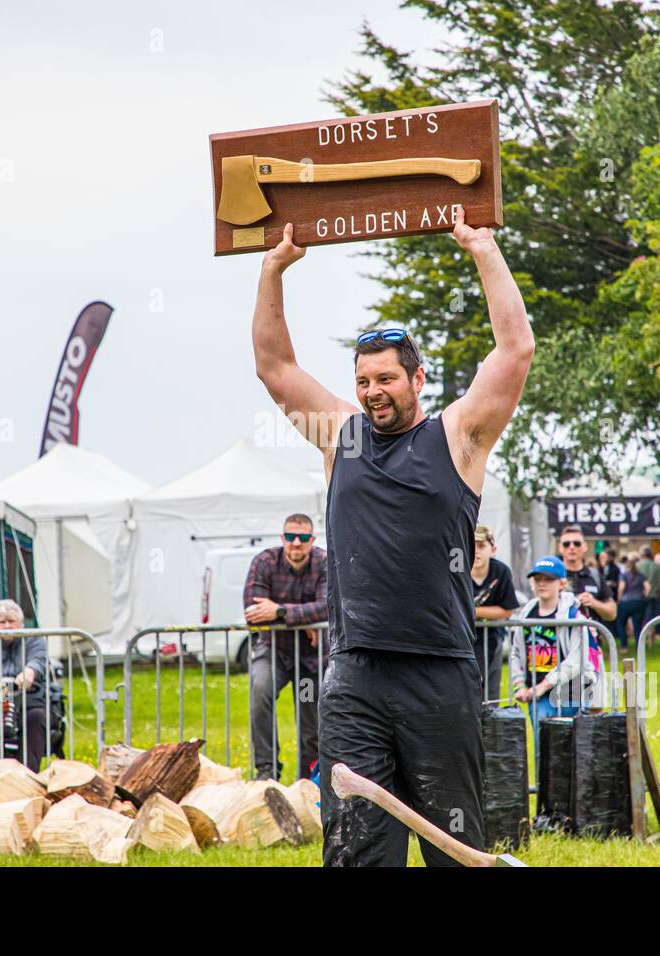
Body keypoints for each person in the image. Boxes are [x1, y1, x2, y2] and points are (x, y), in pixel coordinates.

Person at [252, 208, 534, 867]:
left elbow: (514, 351)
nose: (373, 392)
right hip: (353, 675)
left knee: (454, 848)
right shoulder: (341, 437)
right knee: (356, 847)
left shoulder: (457, 438)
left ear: (417, 379)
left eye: (385, 379)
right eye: (363, 381)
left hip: (438, 673)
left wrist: (483, 249)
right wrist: (273, 269)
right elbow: (274, 365)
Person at [243, 513, 328, 781]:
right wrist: (304, 620)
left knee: (309, 725)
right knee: (260, 693)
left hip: (310, 658)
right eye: (290, 537)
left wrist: (279, 612)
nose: (296, 543)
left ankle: (306, 781)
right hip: (273, 651)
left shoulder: (325, 563)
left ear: (312, 540)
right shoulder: (265, 561)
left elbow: (329, 605)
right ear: (282, 538)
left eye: (303, 538)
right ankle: (266, 774)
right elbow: (252, 611)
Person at [0, 598, 64, 772]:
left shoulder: (35, 642)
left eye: (12, 621)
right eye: (2, 622)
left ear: (22, 624)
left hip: (29, 703)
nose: (7, 626)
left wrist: (30, 672)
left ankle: (27, 775)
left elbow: (39, 661)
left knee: (36, 717)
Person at [510, 556, 595, 750]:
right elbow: (515, 652)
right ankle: (545, 782)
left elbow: (577, 659)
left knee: (575, 749)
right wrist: (519, 684)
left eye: (548, 579)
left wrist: (544, 684)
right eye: (537, 578)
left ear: (562, 583)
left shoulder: (574, 616)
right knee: (545, 749)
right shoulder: (526, 615)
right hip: (539, 696)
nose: (541, 583)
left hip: (572, 691)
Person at [470, 524, 519, 701]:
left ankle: (489, 726)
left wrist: (473, 611)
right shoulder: (456, 570)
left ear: (493, 549)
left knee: (489, 693)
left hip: (491, 638)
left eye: (481, 546)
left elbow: (507, 610)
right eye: (471, 545)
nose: (476, 552)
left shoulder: (501, 572)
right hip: (461, 639)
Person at [614, 554, 647, 650]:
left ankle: (624, 646)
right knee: (637, 626)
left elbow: (621, 588)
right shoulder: (641, 576)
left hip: (626, 602)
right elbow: (648, 587)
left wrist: (619, 599)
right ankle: (639, 646)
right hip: (639, 601)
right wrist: (644, 596)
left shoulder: (624, 576)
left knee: (620, 623)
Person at [636, 545, 660, 643]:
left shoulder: (637, 565)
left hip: (641, 597)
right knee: (652, 618)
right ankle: (651, 640)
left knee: (643, 619)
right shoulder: (658, 567)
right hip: (655, 596)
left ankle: (645, 640)